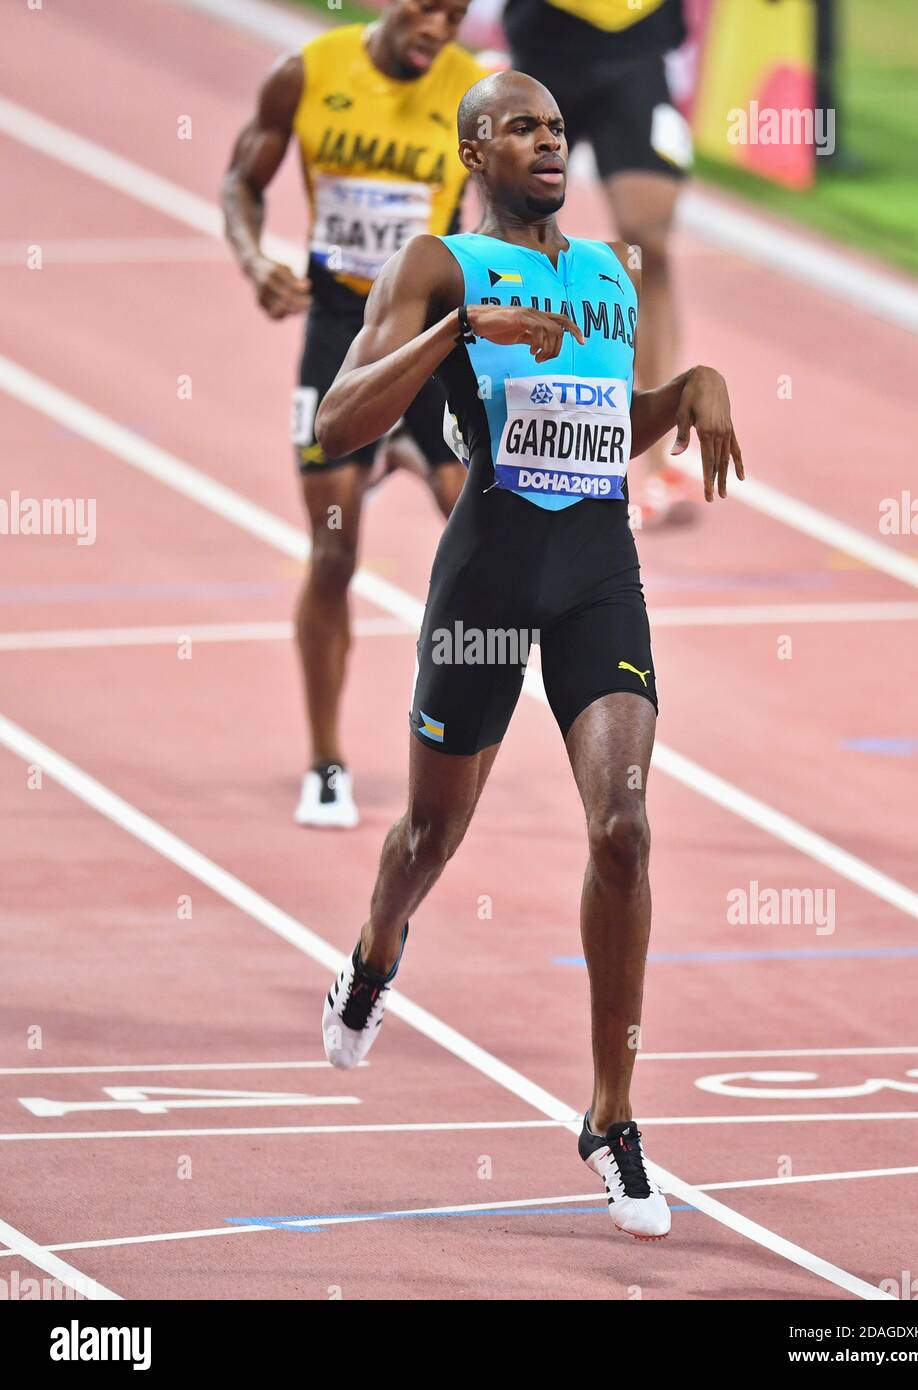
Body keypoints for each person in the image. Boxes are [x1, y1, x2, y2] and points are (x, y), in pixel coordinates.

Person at [316, 70, 742, 1239]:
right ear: (472, 150)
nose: (551, 142)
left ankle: (610, 1112)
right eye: (523, 127)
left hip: (598, 575)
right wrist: (462, 331)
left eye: (558, 128)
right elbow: (335, 420)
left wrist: (686, 390)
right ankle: (374, 947)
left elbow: (613, 420)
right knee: (428, 834)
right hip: (491, 577)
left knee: (625, 827)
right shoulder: (435, 268)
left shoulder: (608, 272)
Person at [221, 3, 487, 828]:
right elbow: (241, 181)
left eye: (457, 11)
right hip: (343, 340)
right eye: (426, 6)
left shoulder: (475, 93)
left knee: (483, 548)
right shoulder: (309, 72)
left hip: (438, 338)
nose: (439, 25)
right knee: (334, 552)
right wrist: (254, 259)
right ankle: (326, 761)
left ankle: (454, 742)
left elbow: (521, 207)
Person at [503, 0, 695, 526]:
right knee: (513, 236)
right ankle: (503, 431)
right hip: (545, 47)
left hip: (635, 48)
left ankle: (658, 464)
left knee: (648, 241)